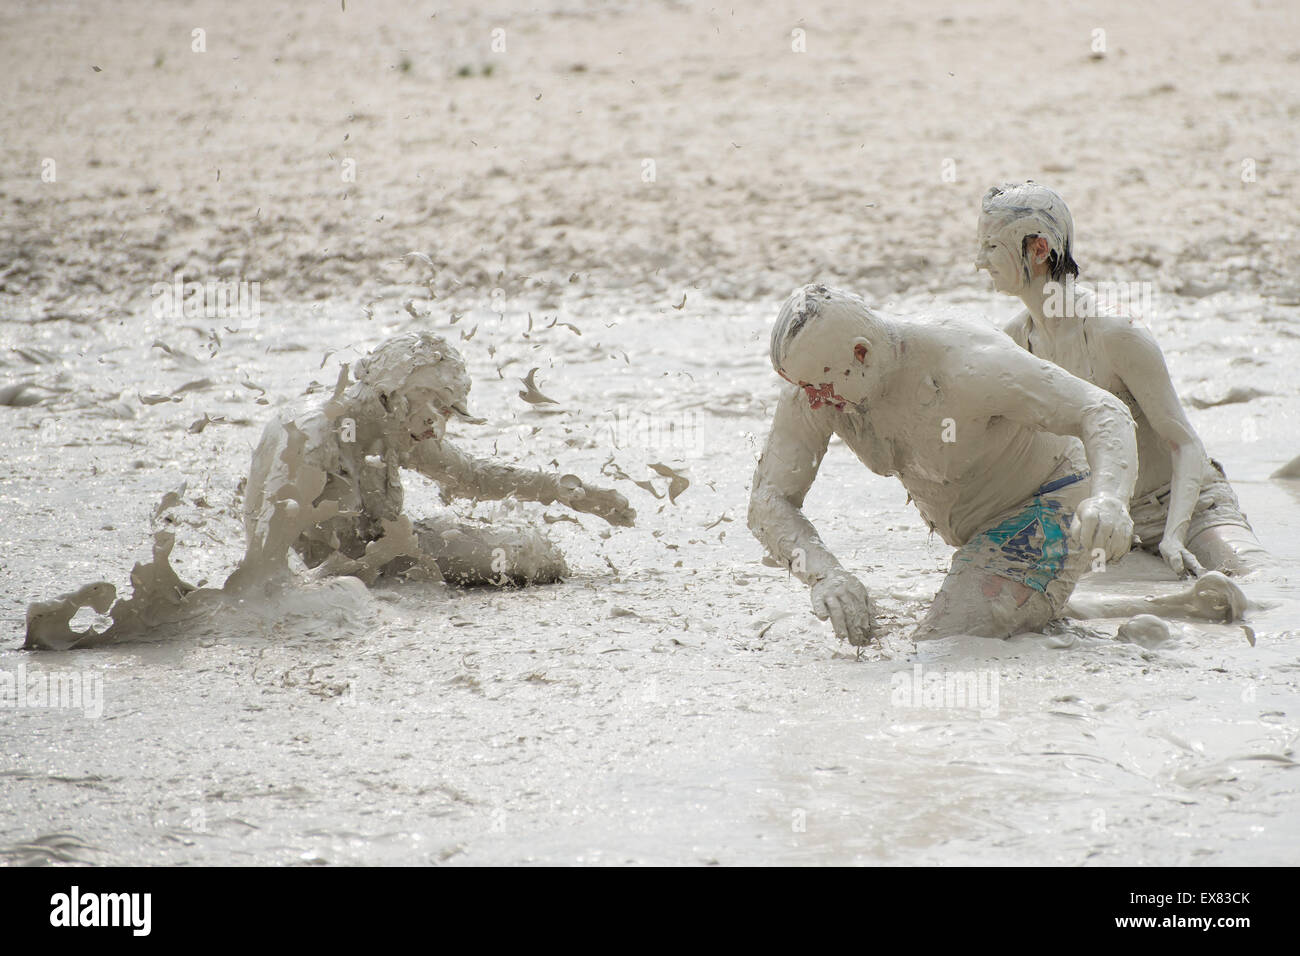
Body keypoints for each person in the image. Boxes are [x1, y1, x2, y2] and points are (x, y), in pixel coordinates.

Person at [748, 283, 1139, 645]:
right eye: (803, 389)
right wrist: (824, 574)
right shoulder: (815, 384)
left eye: (821, 389)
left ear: (861, 353)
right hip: (976, 530)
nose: (814, 402)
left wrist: (1110, 499)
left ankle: (1047, 601)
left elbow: (1101, 410)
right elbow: (769, 499)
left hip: (1050, 502)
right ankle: (1101, 609)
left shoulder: (968, 362)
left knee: (944, 646)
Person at [976, 181, 1268, 577]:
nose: (980, 261)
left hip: (1190, 509)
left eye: (991, 246)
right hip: (1106, 524)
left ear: (1039, 249)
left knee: (1258, 580)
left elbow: (1185, 444)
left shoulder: (1116, 334)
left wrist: (1175, 537)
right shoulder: (1015, 342)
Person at [238, 331, 635, 587]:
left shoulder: (392, 422)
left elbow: (472, 477)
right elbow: (259, 573)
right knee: (528, 554)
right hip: (338, 573)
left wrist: (571, 494)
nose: (438, 426)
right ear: (393, 391)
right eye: (438, 407)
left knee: (535, 551)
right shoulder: (313, 435)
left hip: (370, 559)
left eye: (449, 413)